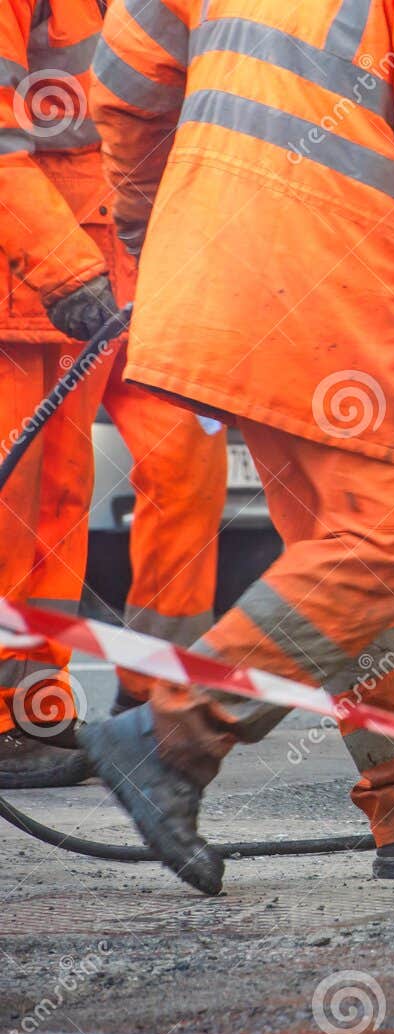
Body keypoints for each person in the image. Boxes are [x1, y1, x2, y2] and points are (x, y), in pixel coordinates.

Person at [82, 0, 394, 894]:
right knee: (387, 540)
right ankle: (171, 734)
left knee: (351, 550)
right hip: (331, 289)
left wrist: (159, 233)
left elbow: (124, 87)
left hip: (226, 276)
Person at [0, 0, 226, 789]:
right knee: (37, 495)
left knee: (186, 455)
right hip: (31, 266)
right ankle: (20, 710)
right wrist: (64, 269)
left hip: (136, 248)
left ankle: (153, 697)